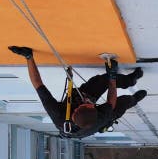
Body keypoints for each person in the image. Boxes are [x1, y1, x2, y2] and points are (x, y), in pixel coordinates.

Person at [9, 46, 146, 139]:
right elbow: (111, 101)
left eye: (87, 103)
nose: (87, 101)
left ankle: (130, 80)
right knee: (122, 102)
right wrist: (112, 76)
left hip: (73, 121)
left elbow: (38, 84)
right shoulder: (102, 116)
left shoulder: (58, 114)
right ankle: (134, 98)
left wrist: (29, 57)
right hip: (97, 121)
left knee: (104, 84)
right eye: (88, 103)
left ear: (74, 111)